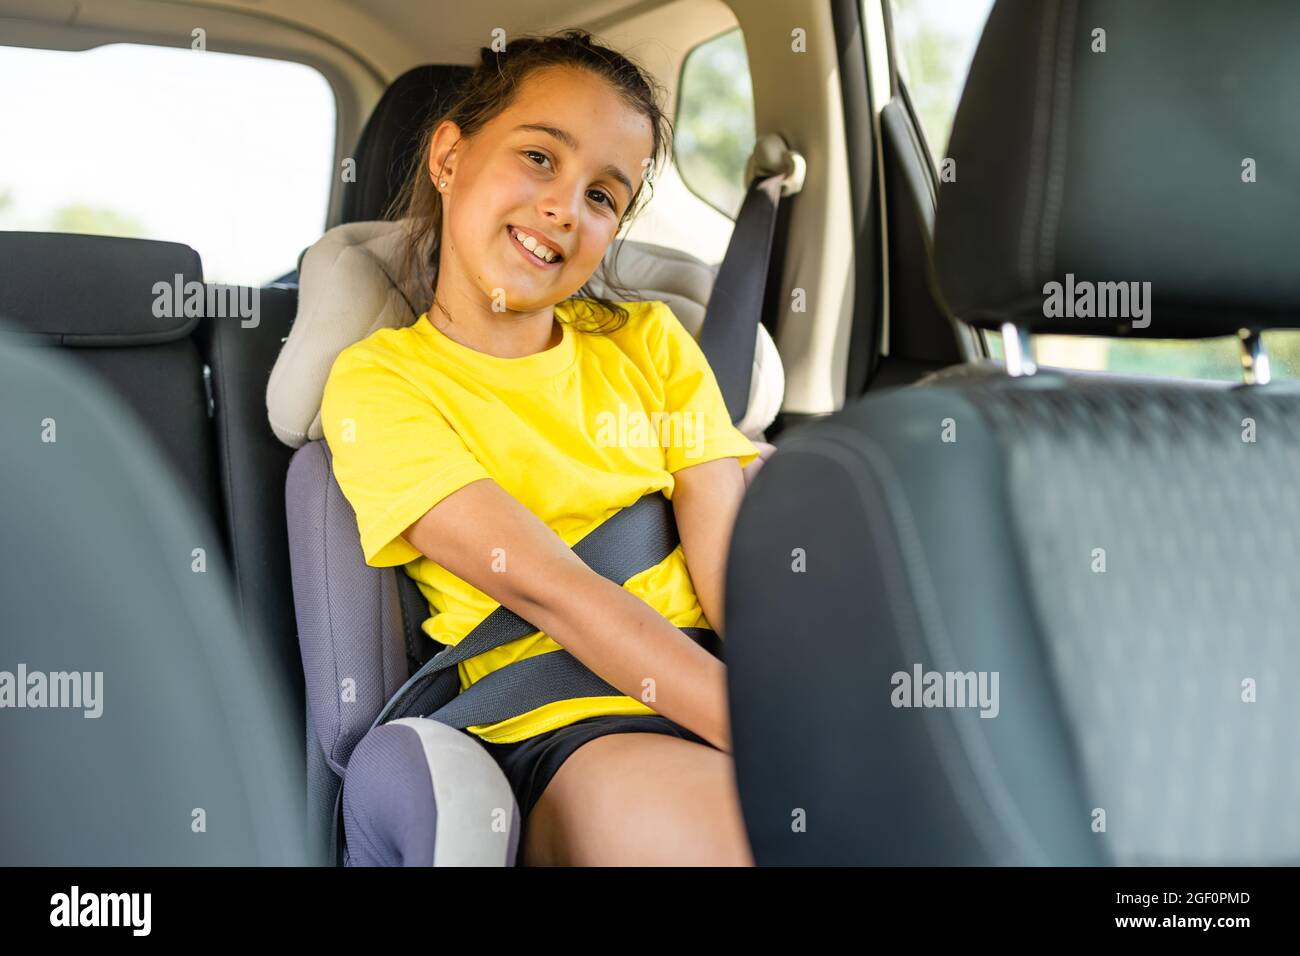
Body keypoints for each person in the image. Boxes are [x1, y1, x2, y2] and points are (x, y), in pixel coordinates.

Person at [321, 30, 775, 866]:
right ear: (449, 155)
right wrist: (773, 736)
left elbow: (733, 576)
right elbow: (564, 596)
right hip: (563, 721)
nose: (567, 207)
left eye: (604, 196)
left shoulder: (652, 343)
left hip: (720, 688)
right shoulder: (380, 384)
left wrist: (805, 704)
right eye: (539, 158)